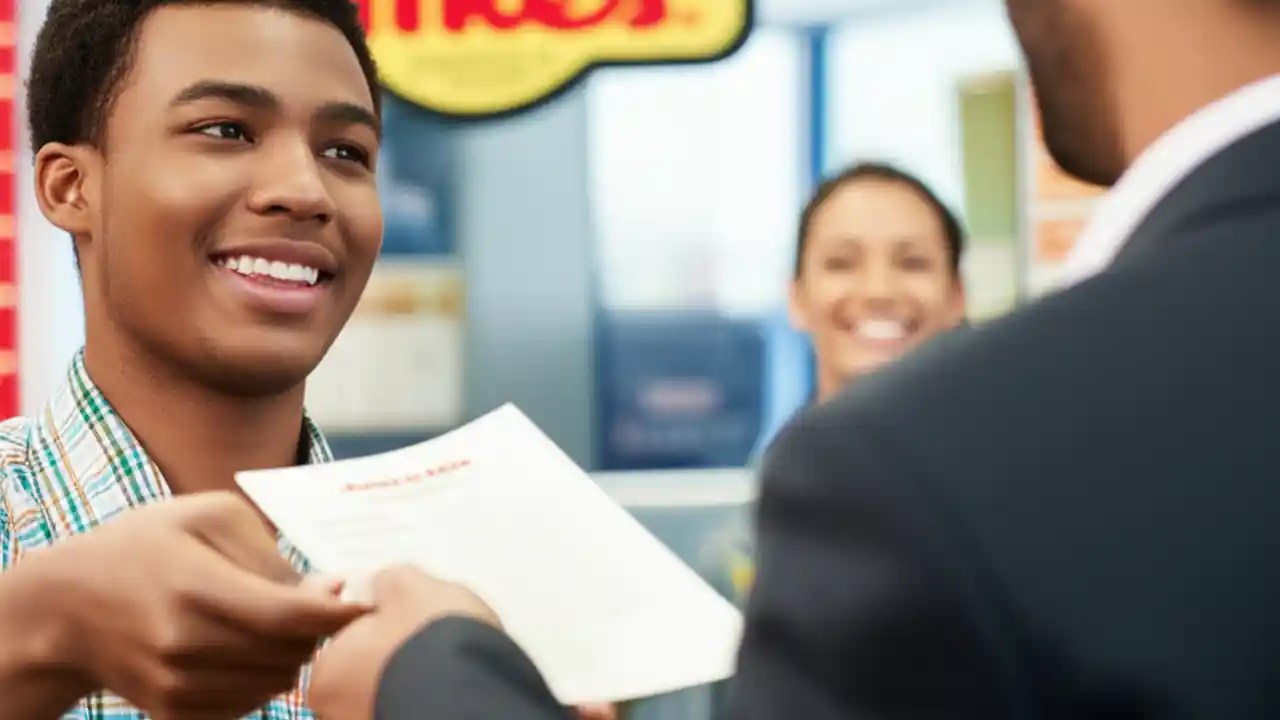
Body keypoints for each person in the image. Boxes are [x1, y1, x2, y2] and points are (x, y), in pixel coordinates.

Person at [308, 0, 1280, 717]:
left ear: (957, 290)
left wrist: (432, 678)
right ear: (796, 294)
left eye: (908, 260)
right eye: (842, 261)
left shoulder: (919, 477)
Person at [0, 0, 384, 717]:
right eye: (226, 131)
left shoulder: (460, 575)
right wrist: (39, 631)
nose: (305, 190)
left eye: (345, 152)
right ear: (69, 186)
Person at [789, 163, 967, 404]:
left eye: (912, 263)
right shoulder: (785, 442)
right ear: (797, 298)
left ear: (957, 297)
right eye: (842, 263)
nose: (879, 291)